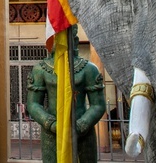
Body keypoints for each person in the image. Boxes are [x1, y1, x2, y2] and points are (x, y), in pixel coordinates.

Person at [25, 29, 107, 163]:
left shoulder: (88, 69)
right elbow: (33, 104)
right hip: (53, 132)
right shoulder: (41, 69)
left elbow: (98, 105)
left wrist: (80, 126)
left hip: (82, 132)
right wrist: (52, 124)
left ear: (75, 40)